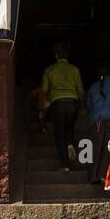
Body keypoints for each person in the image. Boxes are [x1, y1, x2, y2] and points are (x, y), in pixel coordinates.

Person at [40, 43, 84, 174]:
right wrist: (82, 105)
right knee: (69, 127)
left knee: (59, 133)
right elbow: (80, 90)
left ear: (56, 56)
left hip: (57, 103)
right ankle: (70, 143)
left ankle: (65, 163)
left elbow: (44, 90)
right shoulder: (74, 69)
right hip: (72, 102)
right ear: (67, 55)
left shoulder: (50, 70)